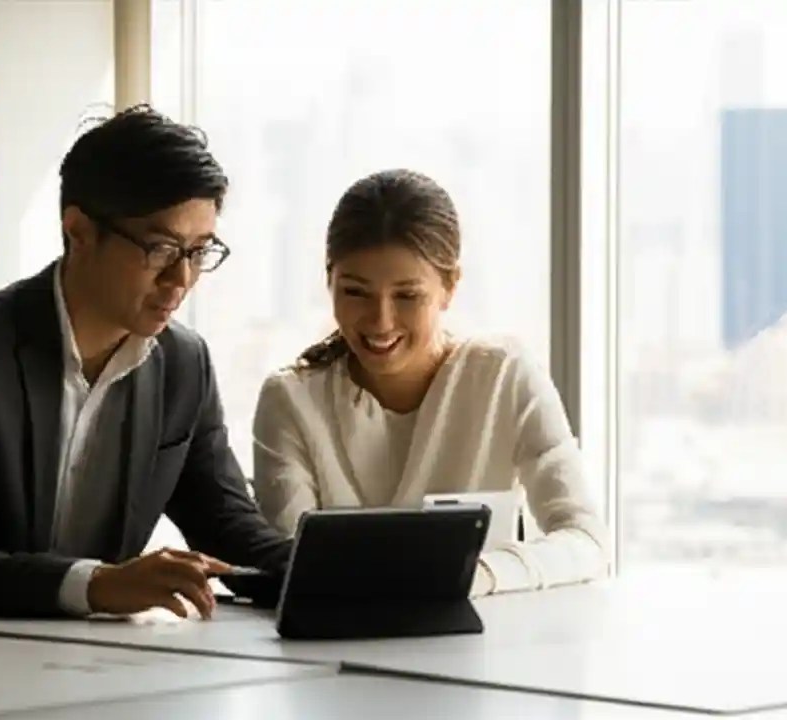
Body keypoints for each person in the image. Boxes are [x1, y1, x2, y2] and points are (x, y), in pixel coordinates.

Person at [0, 106, 290, 629]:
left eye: (199, 251)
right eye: (161, 248)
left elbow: (231, 530)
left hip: (66, 658)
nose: (182, 278)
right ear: (79, 231)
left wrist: (336, 574)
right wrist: (96, 585)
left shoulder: (183, 364)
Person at [252, 169, 608, 597]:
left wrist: (475, 574)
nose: (381, 321)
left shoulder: (502, 376)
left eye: (407, 296)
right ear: (329, 281)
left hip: (484, 633)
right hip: (341, 636)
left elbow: (586, 541)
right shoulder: (290, 400)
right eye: (356, 292)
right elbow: (296, 565)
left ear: (450, 286)